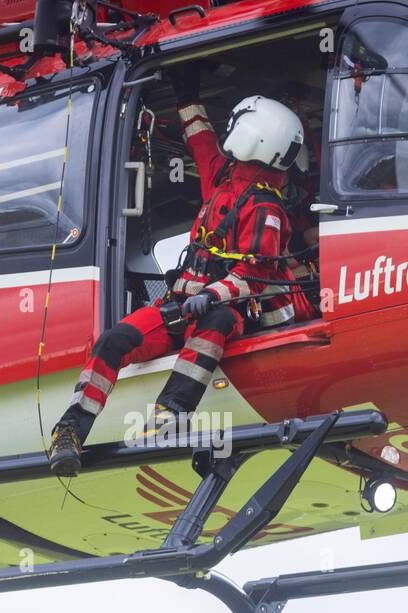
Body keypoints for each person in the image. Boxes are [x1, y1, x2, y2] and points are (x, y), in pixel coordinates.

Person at [47, 73, 306, 477]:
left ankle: (172, 411)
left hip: (231, 310)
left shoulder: (266, 211)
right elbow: (201, 144)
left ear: (251, 135)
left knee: (216, 321)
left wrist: (215, 295)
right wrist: (187, 93)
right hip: (180, 305)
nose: (227, 132)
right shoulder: (223, 179)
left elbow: (257, 275)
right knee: (114, 341)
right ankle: (70, 430)